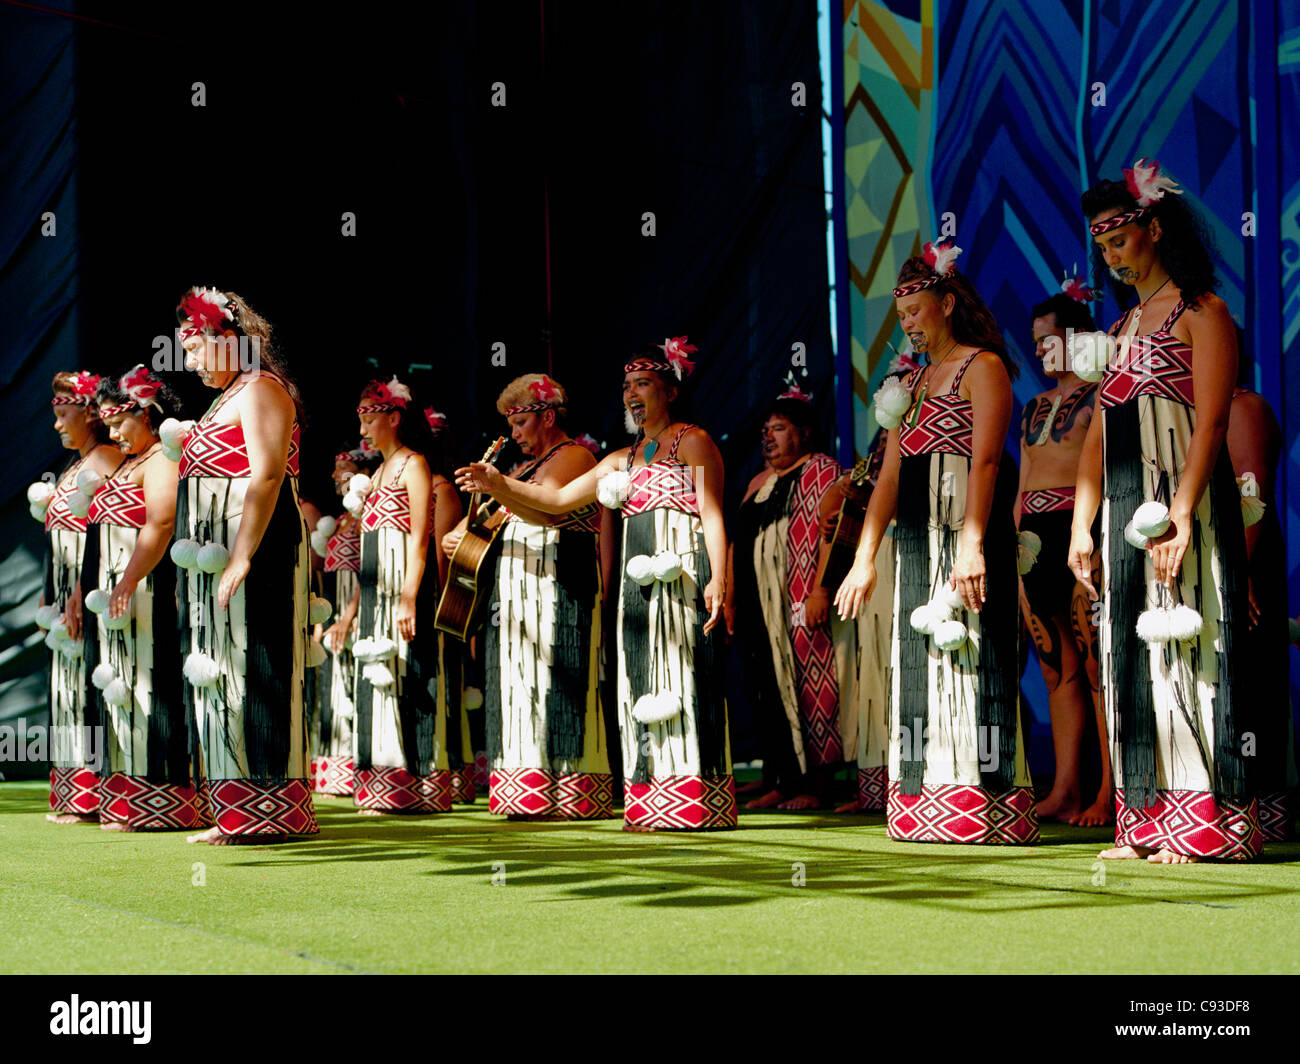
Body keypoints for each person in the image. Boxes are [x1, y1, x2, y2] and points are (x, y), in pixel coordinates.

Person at [456, 337, 735, 831]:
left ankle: (698, 795)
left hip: (684, 578)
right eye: (626, 385)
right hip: (636, 593)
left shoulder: (692, 440)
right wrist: (497, 485)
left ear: (669, 391)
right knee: (640, 686)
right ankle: (651, 799)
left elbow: (713, 514)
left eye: (643, 383)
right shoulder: (618, 459)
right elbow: (558, 501)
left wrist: (720, 579)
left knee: (687, 680)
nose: (631, 393)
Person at [1069, 160, 1261, 862]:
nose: (1111, 256)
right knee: (1129, 655)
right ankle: (1144, 821)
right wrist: (1080, 524)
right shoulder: (1118, 329)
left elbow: (1211, 422)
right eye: (1102, 246)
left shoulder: (1202, 310)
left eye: (1119, 239)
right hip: (1124, 513)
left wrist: (1182, 514)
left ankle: (1206, 819)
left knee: (1193, 647)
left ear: (1153, 227)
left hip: (1187, 508)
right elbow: (1097, 432)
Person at [836, 243, 1038, 845]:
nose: (909, 324)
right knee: (922, 665)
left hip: (969, 538)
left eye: (917, 311)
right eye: (901, 318)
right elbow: (890, 478)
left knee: (977, 661)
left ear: (947, 303)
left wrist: (973, 545)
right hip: (918, 549)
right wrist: (865, 557)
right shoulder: (910, 382)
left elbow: (985, 465)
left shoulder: (983, 366)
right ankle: (929, 801)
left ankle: (990, 805)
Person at [175, 286, 317, 844]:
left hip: (258, 548)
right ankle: (236, 809)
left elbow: (266, 474)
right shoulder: (228, 396)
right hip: (223, 556)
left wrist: (241, 555)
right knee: (225, 670)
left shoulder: (261, 389)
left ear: (225, 339)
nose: (188, 363)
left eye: (193, 350)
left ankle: (271, 810)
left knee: (258, 663)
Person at [442, 373, 614, 820]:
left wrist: (497, 485)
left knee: (560, 681)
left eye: (520, 424)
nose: (513, 435)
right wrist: (463, 534)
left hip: (560, 584)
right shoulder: (521, 470)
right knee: (520, 688)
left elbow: (551, 501)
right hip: (517, 593)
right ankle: (527, 789)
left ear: (548, 417)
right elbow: (510, 511)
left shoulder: (575, 454)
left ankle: (571, 789)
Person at [325, 378, 463, 813]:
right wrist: (351, 611)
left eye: (370, 415)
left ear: (394, 416)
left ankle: (421, 785)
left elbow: (421, 539)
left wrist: (408, 596)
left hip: (406, 591)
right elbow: (368, 557)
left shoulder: (413, 465)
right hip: (374, 595)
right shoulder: (377, 474)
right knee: (376, 679)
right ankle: (386, 784)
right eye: (360, 416)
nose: (363, 424)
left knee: (413, 676)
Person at [83, 366, 204, 830]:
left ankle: (167, 800)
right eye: (108, 424)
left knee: (154, 686)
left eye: (119, 422)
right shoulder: (130, 462)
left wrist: (129, 580)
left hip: (152, 592)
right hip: (122, 599)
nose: (112, 433)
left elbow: (161, 524)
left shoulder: (161, 458)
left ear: (147, 412)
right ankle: (127, 797)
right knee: (124, 690)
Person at [1016, 288, 1112, 825]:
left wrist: (1092, 533)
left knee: (1097, 666)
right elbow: (1024, 482)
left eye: (1048, 340)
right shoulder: (1032, 406)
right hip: (1032, 538)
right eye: (1035, 343)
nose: (1039, 351)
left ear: (1077, 338)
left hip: (1081, 530)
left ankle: (1109, 792)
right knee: (1058, 670)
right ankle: (1067, 788)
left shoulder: (1102, 396)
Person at [729, 381, 848, 810]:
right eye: (766, 429)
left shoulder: (823, 471)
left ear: (804, 434)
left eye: (778, 428)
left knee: (815, 690)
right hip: (759, 607)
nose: (768, 437)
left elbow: (834, 537)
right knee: (764, 688)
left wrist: (820, 589)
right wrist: (727, 596)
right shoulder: (758, 482)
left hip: (800, 602)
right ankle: (779, 777)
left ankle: (817, 784)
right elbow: (735, 543)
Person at [35, 371, 122, 823]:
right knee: (67, 692)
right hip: (67, 597)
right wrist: (51, 595)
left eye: (63, 413)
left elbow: (103, 535)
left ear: (91, 413)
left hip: (92, 595)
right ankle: (76, 791)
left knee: (91, 689)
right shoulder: (75, 466)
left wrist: (82, 592)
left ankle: (97, 794)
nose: (56, 424)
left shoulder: (107, 459)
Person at [1224, 365, 1295, 840]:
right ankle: (1229, 798)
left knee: (1253, 685)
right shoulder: (1195, 409)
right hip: (1212, 560)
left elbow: (1252, 494)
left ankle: (1264, 806)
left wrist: (1241, 572)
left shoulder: (1243, 407)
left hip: (1246, 560)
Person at [309, 442, 380, 796]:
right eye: (335, 469)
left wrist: (350, 617)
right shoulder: (340, 520)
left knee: (354, 686)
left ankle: (361, 770)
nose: (336, 476)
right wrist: (323, 616)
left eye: (344, 468)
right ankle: (335, 773)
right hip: (334, 607)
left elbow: (369, 569)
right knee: (333, 688)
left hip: (356, 608)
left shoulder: (368, 513)